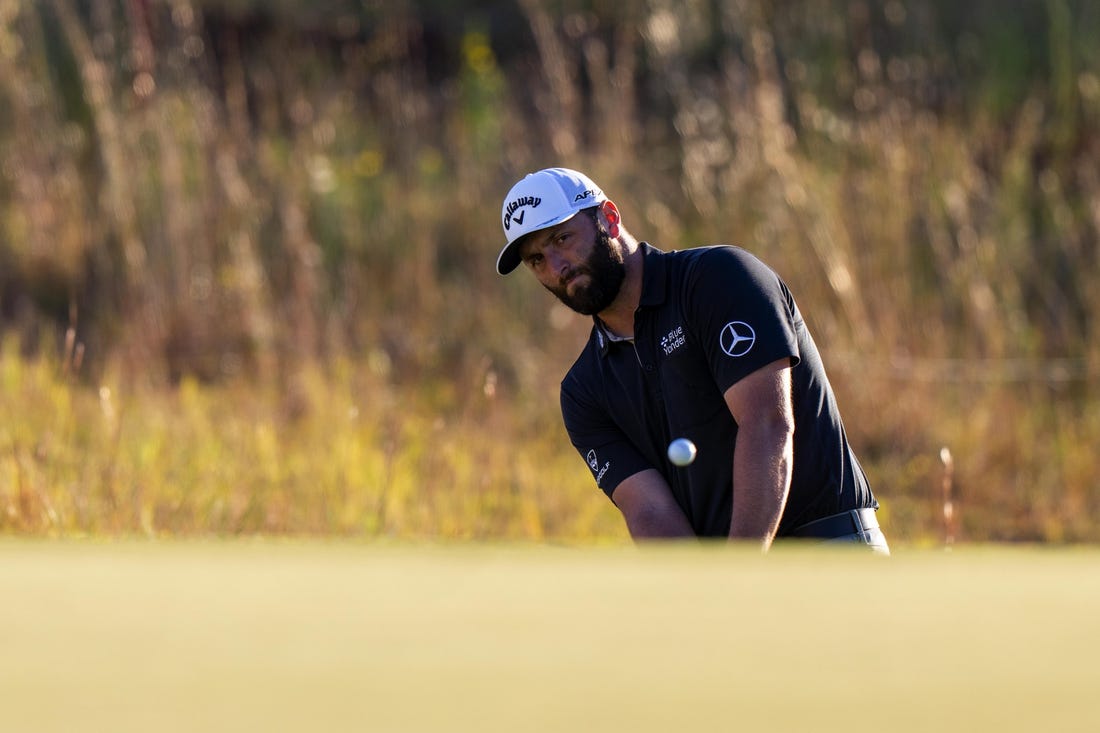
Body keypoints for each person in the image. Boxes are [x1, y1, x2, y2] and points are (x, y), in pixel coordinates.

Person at [496, 167, 889, 553]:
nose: (557, 267)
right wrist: (699, 597)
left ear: (610, 218)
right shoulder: (584, 391)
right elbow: (649, 512)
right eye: (537, 260)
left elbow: (767, 425)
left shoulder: (718, 280)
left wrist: (736, 576)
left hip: (832, 550)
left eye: (563, 238)